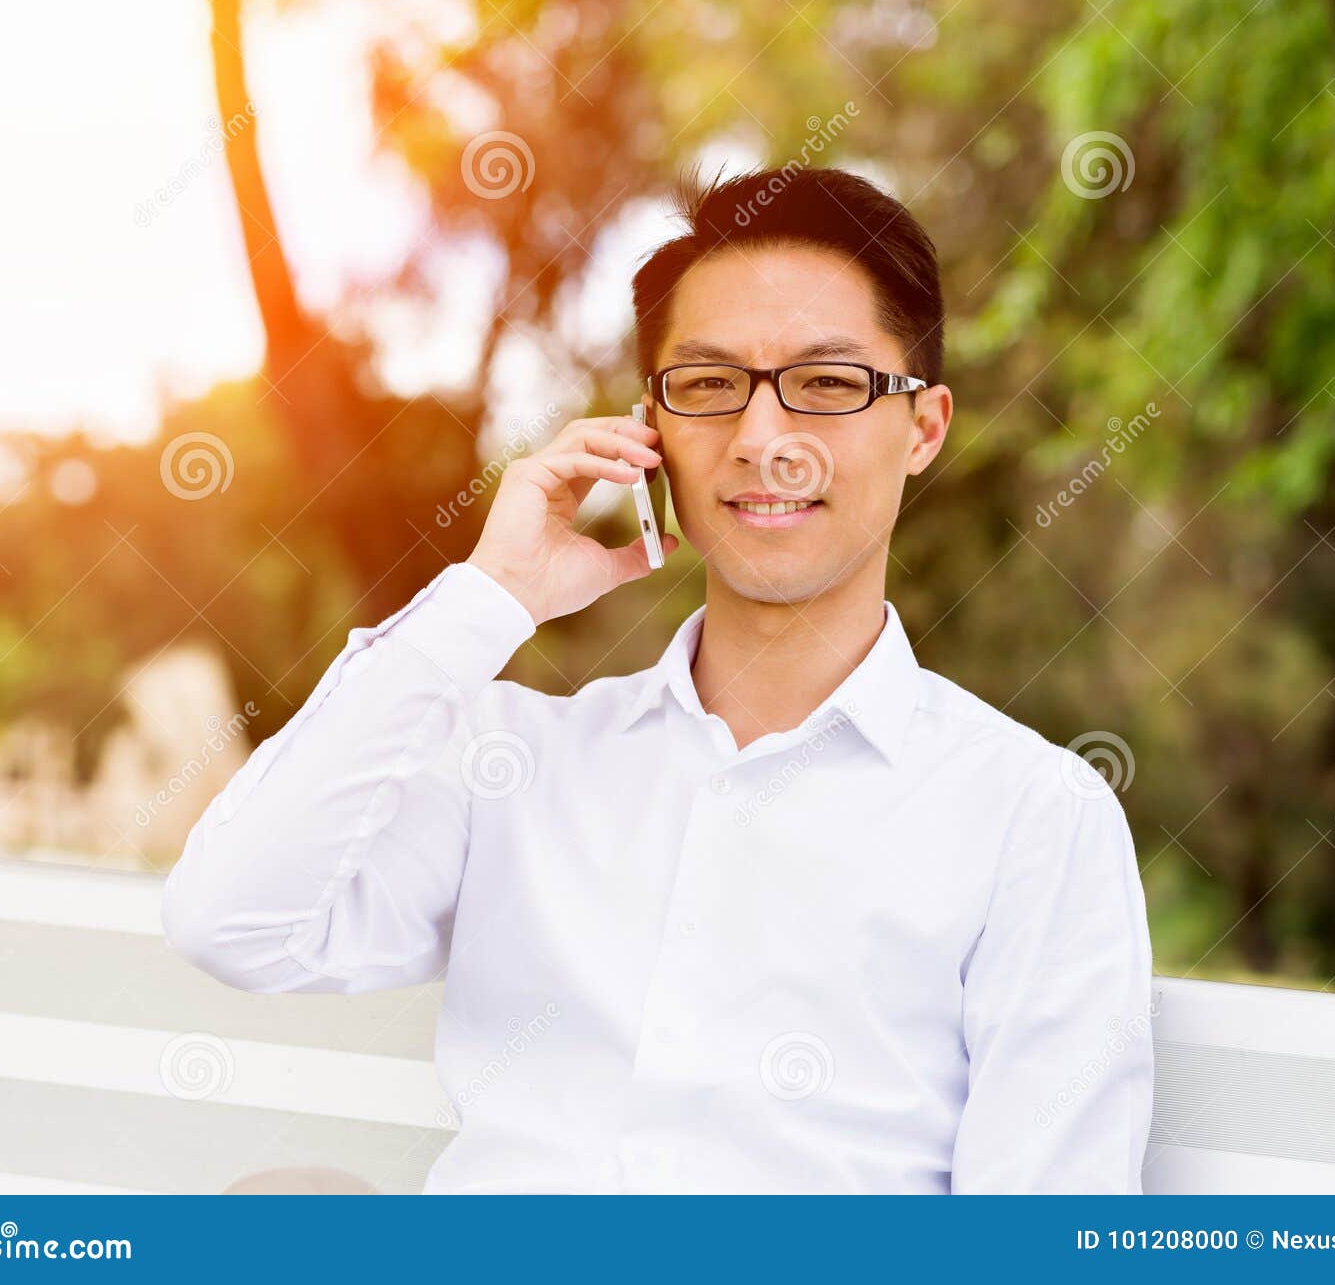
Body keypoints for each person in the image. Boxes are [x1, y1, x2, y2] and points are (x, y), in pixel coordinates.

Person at [162, 166, 1154, 1194]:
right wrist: (488, 598)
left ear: (922, 426)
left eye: (828, 383)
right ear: (650, 434)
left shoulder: (1031, 817)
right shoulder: (516, 759)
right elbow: (228, 921)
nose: (764, 442)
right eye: (710, 386)